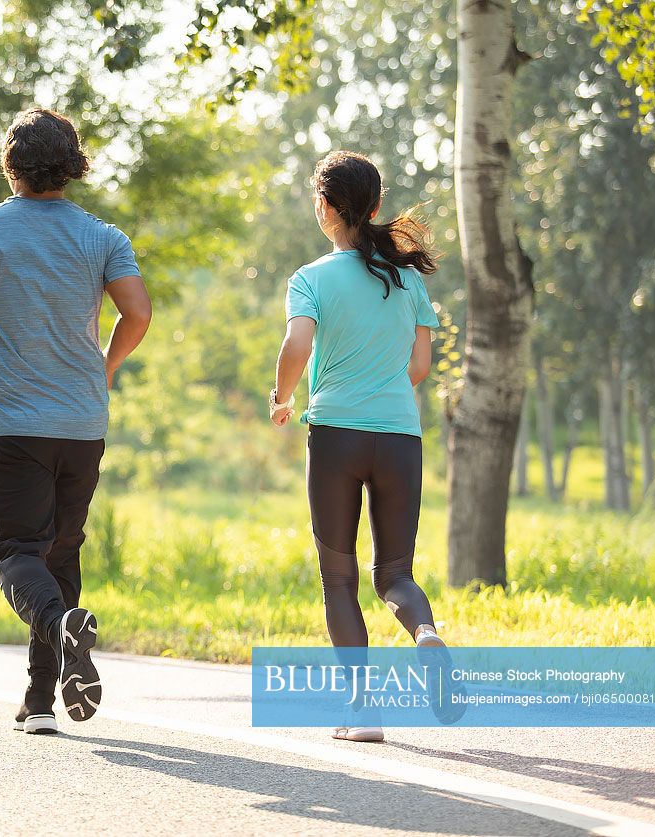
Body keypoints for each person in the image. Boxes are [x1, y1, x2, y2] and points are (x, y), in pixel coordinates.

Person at [0, 108, 151, 734]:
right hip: (82, 421)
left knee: (14, 551)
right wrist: (105, 364)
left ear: (11, 163)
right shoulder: (104, 237)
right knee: (59, 555)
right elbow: (137, 313)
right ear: (72, 164)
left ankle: (57, 630)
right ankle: (40, 700)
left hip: (13, 424)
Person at [269, 150, 453, 743]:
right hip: (399, 435)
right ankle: (425, 634)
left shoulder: (311, 278)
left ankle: (363, 712)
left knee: (339, 576)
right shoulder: (409, 279)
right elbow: (420, 365)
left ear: (324, 207)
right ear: (375, 207)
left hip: (335, 437)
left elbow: (297, 346)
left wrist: (282, 395)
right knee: (394, 573)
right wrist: (385, 392)